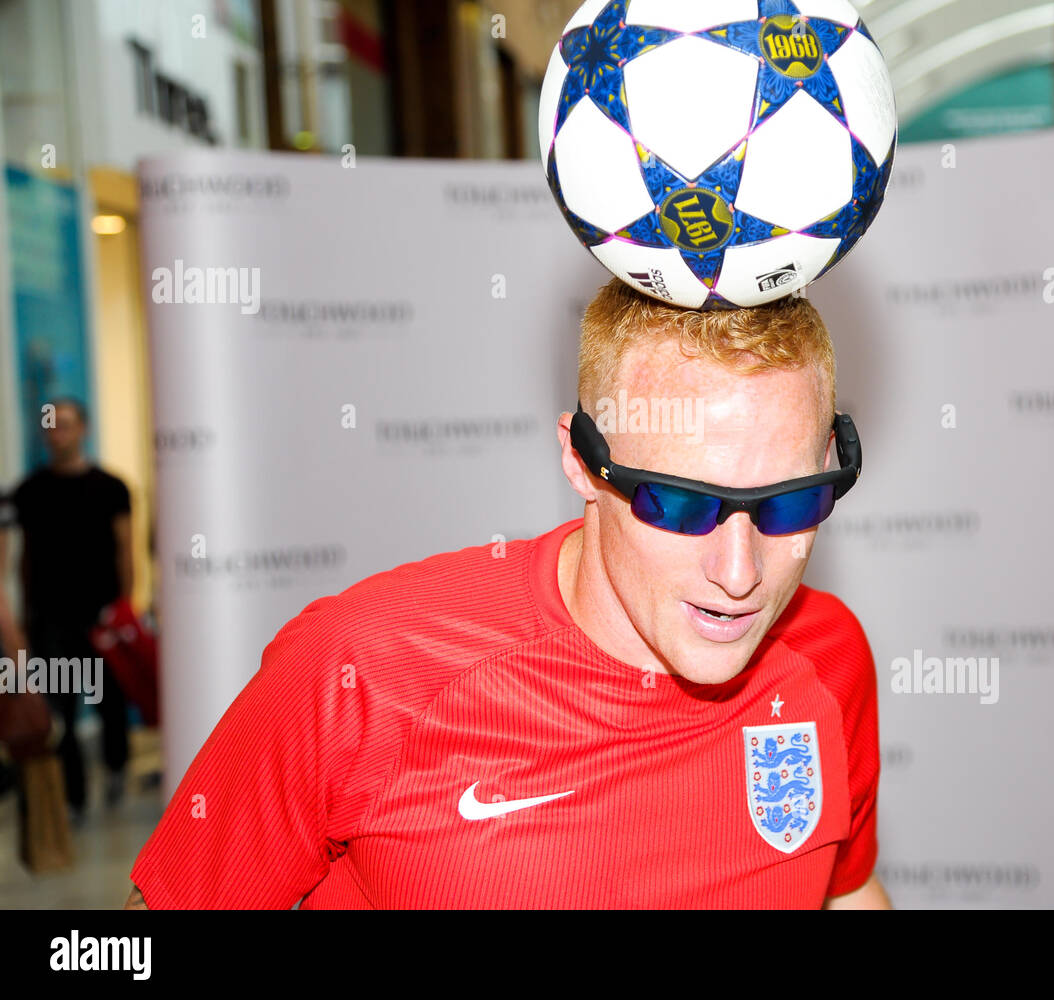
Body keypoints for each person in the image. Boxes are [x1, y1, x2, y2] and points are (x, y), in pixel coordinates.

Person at [125, 280, 887, 909]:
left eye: (791, 502)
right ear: (582, 464)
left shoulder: (828, 658)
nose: (739, 572)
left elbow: (847, 894)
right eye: (680, 505)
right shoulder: (364, 670)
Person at [0, 398, 134, 820]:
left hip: (101, 617)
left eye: (66, 424)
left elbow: (124, 549)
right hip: (49, 619)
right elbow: (21, 560)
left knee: (110, 701)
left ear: (84, 430)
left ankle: (116, 768)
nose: (57, 432)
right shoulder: (28, 492)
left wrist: (125, 607)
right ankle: (74, 796)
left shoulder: (111, 487)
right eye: (51, 425)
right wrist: (21, 616)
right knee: (61, 710)